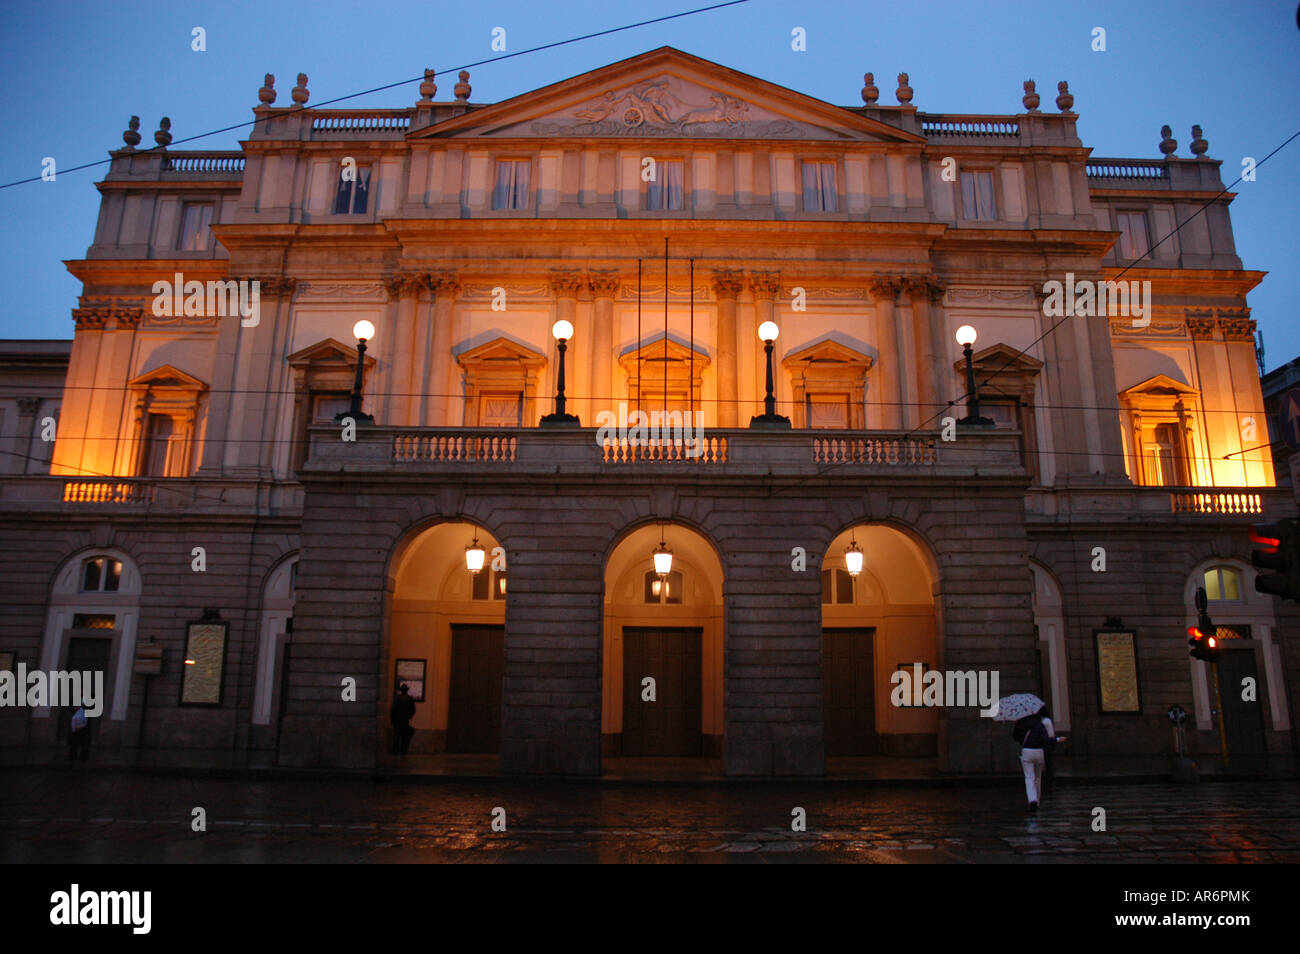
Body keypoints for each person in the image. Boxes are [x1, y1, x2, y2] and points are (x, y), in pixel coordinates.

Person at [1013, 705, 1064, 812]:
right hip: (1039, 751)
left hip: (1026, 752)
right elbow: (1046, 739)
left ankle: (1032, 800)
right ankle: (1038, 800)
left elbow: (1015, 737)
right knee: (1038, 778)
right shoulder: (1039, 724)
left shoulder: (1021, 723)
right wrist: (1058, 739)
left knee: (1029, 778)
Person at [390, 683, 416, 755]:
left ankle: (395, 751)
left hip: (397, 720)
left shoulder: (397, 698)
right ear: (406, 690)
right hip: (405, 720)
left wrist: (392, 720)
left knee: (396, 736)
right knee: (405, 737)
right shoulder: (409, 699)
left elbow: (392, 710)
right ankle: (403, 751)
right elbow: (413, 709)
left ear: (401, 690)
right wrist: (409, 716)